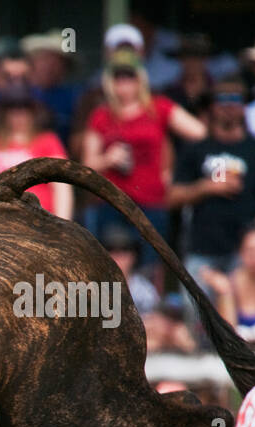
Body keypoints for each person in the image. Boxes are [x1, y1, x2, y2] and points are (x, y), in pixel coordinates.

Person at [82, 50, 206, 270]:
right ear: (109, 81)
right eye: (118, 78)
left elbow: (200, 134)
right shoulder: (101, 114)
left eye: (129, 77)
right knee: (107, 266)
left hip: (151, 200)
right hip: (112, 201)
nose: (124, 84)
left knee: (151, 265)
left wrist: (175, 171)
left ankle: (150, 304)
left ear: (140, 79)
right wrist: (108, 158)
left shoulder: (158, 107)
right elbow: (86, 164)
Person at [169, 80, 255, 293]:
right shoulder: (196, 149)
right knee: (198, 319)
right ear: (211, 106)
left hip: (243, 254)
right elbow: (172, 196)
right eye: (222, 100)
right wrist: (205, 187)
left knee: (242, 318)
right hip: (201, 249)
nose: (229, 106)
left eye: (235, 99)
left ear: (244, 106)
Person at [0, 84, 71, 219]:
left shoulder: (48, 141)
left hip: (41, 220)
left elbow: (62, 186)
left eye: (24, 108)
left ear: (34, 112)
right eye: (12, 109)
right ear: (3, 113)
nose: (19, 114)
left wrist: (62, 223)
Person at [202, 226, 255, 345]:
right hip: (240, 355)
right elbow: (228, 338)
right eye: (251, 251)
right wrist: (226, 294)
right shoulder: (229, 285)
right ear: (241, 253)